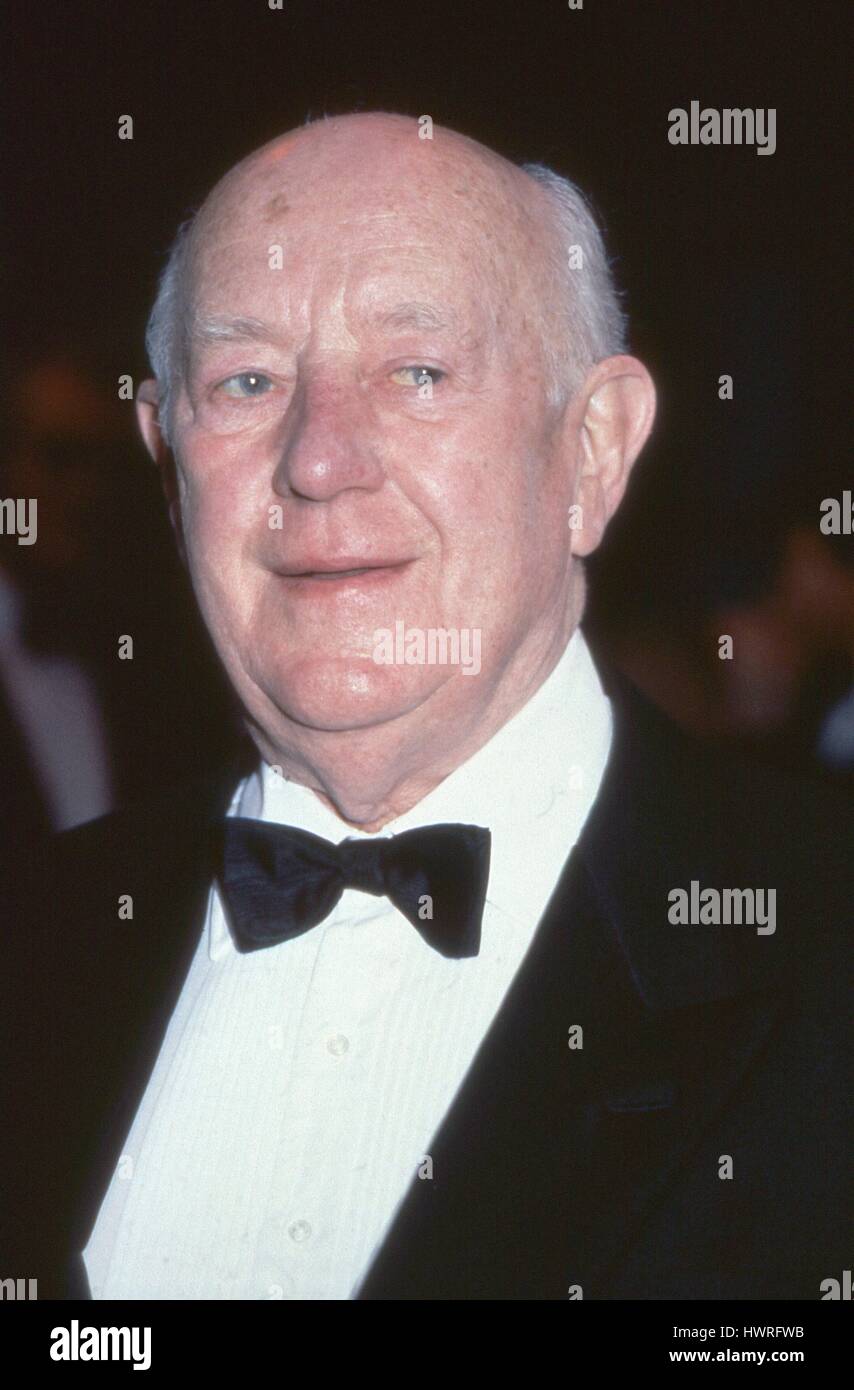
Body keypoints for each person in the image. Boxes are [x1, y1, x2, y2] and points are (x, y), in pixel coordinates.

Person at [2, 112, 848, 1301]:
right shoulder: (32, 941)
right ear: (167, 459)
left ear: (593, 452)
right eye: (246, 380)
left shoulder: (817, 952)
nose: (318, 458)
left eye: (417, 371)